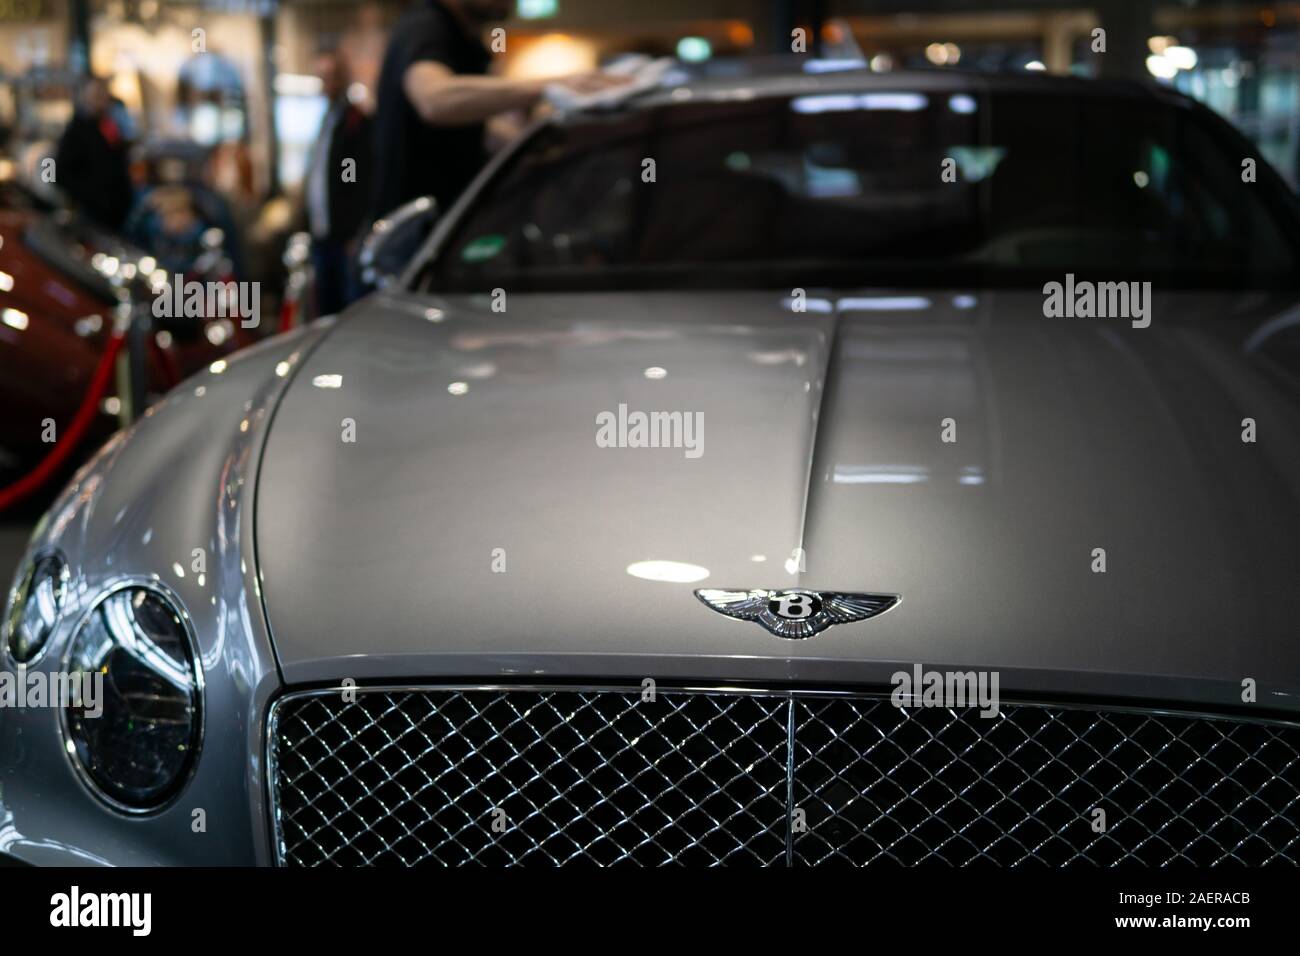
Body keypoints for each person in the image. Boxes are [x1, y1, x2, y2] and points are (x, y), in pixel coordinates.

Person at [371, 0, 626, 221]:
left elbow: (475, 129)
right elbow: (433, 99)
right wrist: (553, 85)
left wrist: (533, 145)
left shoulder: (467, 40)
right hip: (411, 237)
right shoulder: (426, 25)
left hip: (446, 227)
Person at [305, 48, 373, 314]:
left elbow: (355, 178)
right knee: (325, 305)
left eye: (331, 77)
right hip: (322, 232)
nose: (326, 84)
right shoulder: (328, 120)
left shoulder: (353, 122)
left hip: (343, 236)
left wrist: (353, 230)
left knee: (346, 306)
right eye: (322, 78)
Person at [54, 75, 135, 231]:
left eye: (104, 93)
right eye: (97, 95)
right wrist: (90, 197)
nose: (103, 99)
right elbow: (59, 174)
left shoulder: (108, 125)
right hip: (93, 214)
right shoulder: (76, 131)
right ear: (85, 98)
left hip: (116, 211)